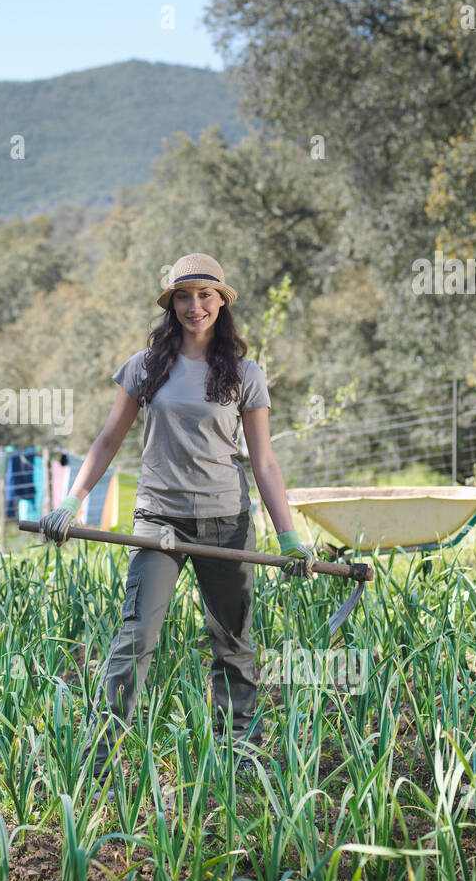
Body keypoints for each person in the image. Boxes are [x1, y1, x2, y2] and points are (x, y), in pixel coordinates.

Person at [38, 252, 315, 786]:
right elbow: (106, 440)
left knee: (233, 642)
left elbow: (265, 461)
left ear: (221, 301)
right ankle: (96, 764)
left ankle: (241, 760)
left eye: (205, 295)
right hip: (159, 522)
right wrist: (72, 502)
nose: (195, 306)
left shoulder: (245, 375)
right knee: (136, 636)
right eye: (183, 297)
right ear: (171, 305)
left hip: (226, 523)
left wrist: (289, 537)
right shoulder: (145, 368)